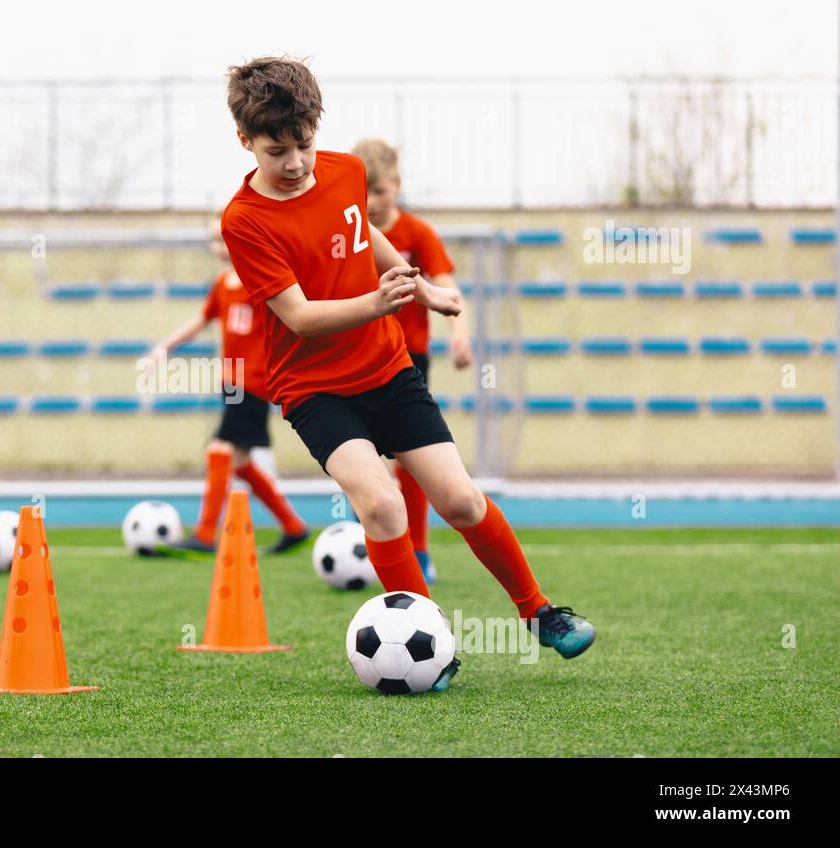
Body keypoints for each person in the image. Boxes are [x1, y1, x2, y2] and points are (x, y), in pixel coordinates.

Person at [219, 57, 596, 689]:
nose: (295, 162)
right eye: (276, 149)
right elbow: (300, 316)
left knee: (461, 499)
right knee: (383, 505)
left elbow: (361, 233)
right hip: (313, 389)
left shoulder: (345, 172)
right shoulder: (245, 221)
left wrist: (419, 289)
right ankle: (435, 645)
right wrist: (378, 303)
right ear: (245, 141)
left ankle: (538, 612)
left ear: (317, 128)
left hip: (387, 370)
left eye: (304, 144)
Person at [350, 138, 472, 584]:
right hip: (357, 356)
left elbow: (446, 285)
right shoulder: (347, 233)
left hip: (407, 359)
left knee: (411, 460)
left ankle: (418, 550)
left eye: (379, 191)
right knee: (360, 459)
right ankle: (380, 541)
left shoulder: (417, 234)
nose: (371, 202)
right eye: (363, 193)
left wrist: (460, 335)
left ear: (397, 186)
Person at [146, 222, 309, 554]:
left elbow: (290, 317)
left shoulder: (260, 279)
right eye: (213, 239)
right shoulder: (223, 283)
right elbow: (202, 319)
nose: (218, 245)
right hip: (232, 381)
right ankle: (293, 526)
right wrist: (164, 347)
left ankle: (205, 534)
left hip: (254, 381)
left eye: (223, 238)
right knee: (240, 461)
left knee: (219, 451)